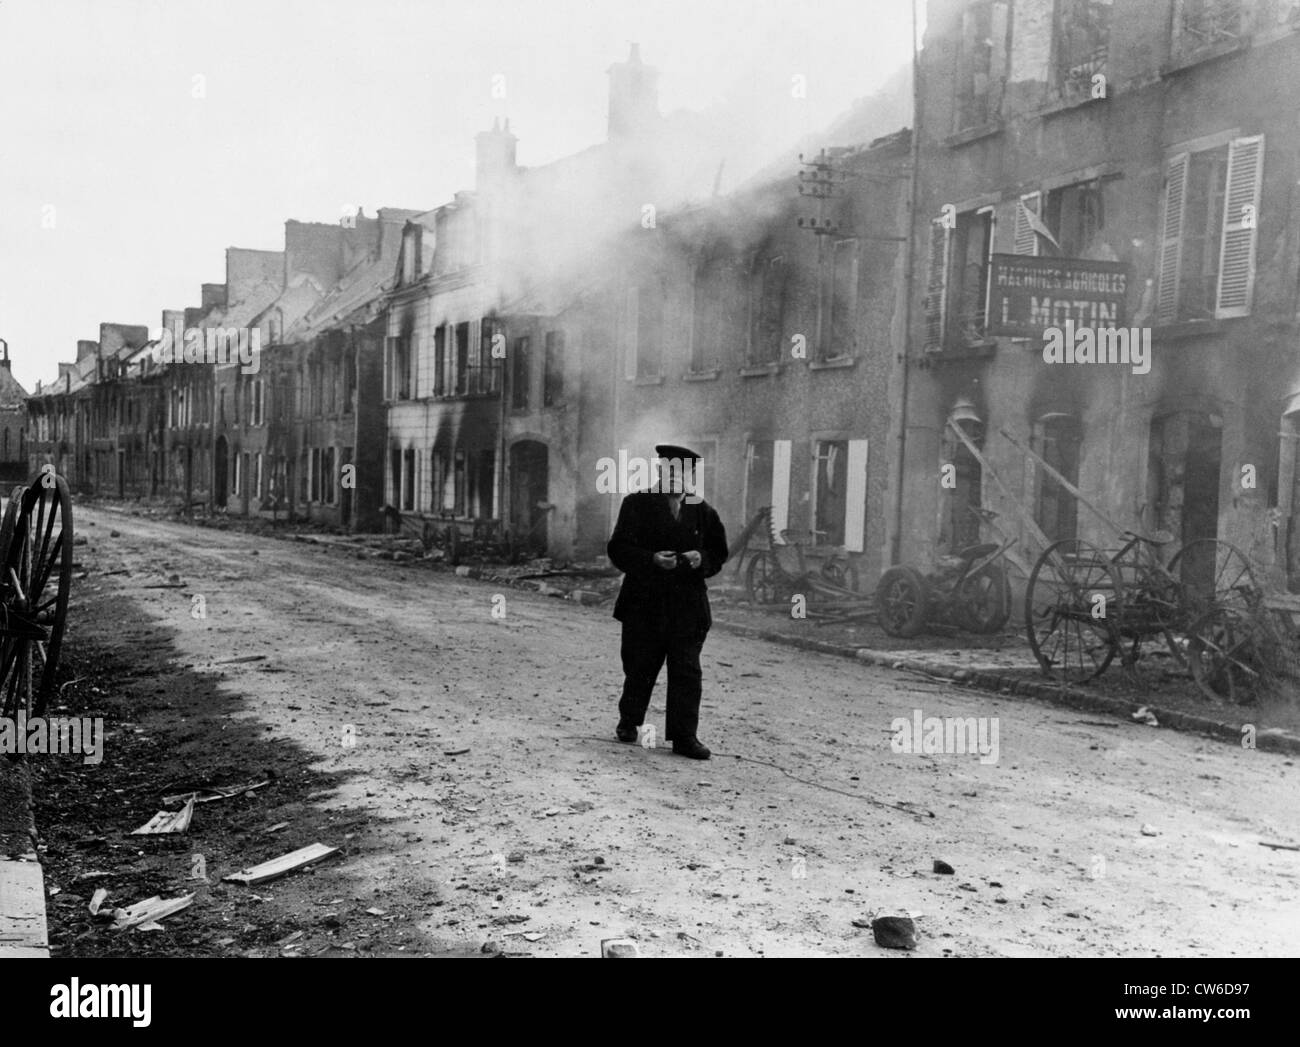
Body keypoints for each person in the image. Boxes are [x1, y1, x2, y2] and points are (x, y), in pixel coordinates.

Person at [607, 444, 728, 759]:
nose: (674, 476)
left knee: (687, 670)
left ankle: (685, 737)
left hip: (687, 608)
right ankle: (629, 720)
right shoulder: (636, 504)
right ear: (658, 471)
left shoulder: (703, 510)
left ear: (689, 477)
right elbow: (618, 548)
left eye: (681, 472)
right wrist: (651, 559)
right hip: (644, 604)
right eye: (668, 470)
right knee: (639, 666)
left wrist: (700, 557)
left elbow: (719, 553)